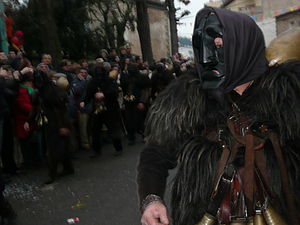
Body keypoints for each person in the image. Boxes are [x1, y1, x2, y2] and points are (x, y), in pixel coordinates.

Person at [137, 7, 300, 225]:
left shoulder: (287, 95)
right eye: (202, 47)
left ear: (243, 46)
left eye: (218, 46)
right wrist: (152, 200)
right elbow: (155, 154)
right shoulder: (187, 97)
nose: (207, 58)